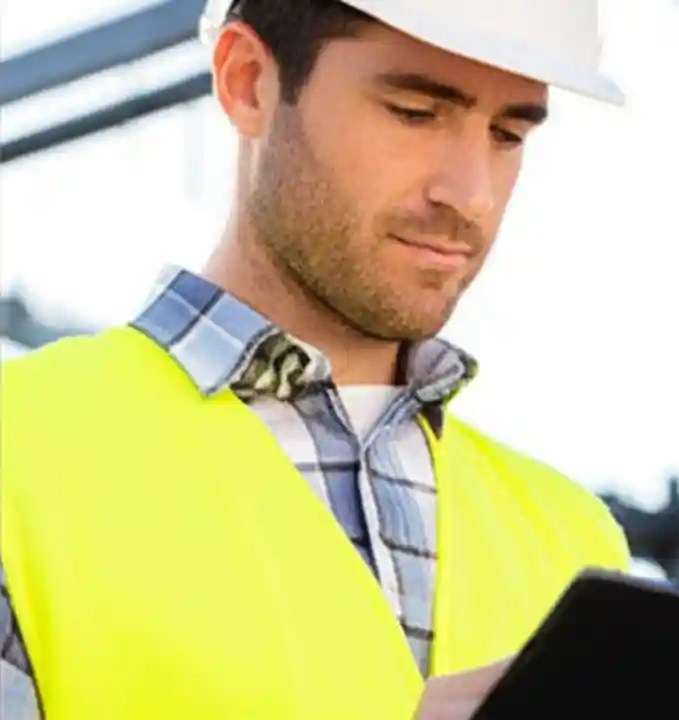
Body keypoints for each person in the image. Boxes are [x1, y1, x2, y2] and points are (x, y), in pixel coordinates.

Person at [0, 0, 631, 717]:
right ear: (247, 83)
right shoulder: (16, 452)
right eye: (414, 112)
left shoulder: (578, 544)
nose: (471, 194)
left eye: (508, 133)